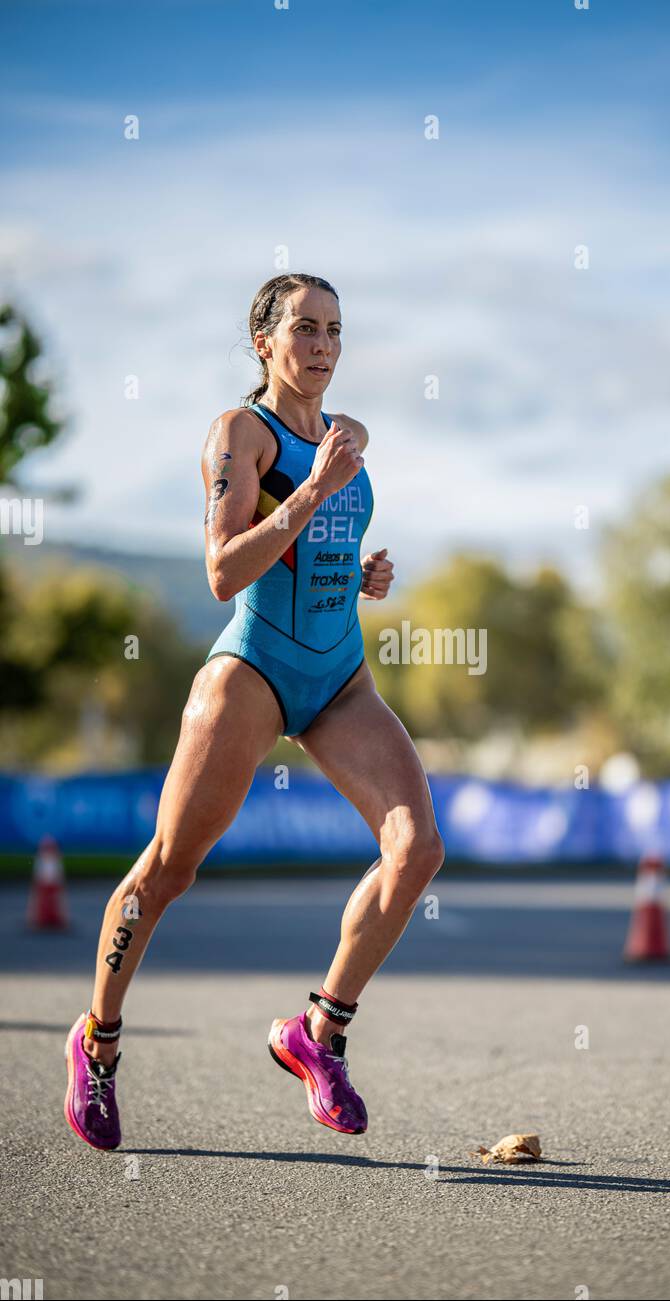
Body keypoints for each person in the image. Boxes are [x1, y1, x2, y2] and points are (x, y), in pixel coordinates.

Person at [64, 272, 445, 1149]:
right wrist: (316, 489)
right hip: (253, 669)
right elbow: (224, 570)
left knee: (417, 848)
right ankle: (99, 1041)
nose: (321, 346)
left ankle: (320, 1032)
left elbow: (311, 558)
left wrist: (359, 575)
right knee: (168, 869)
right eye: (305, 328)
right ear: (265, 340)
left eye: (335, 331)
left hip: (338, 673)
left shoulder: (343, 438)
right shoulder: (241, 433)